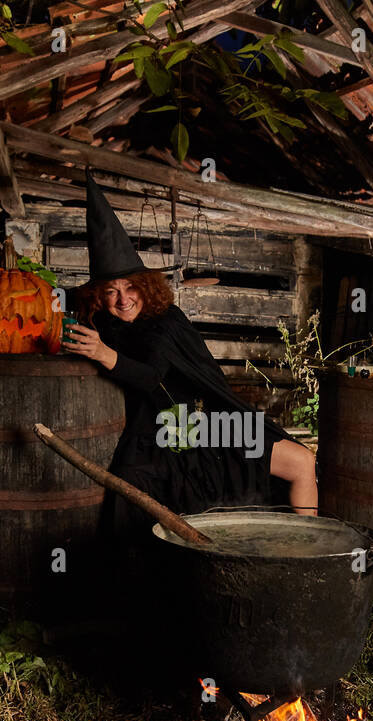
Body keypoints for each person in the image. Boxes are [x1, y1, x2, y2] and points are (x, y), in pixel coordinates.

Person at [62, 170, 317, 542]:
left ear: (146, 285)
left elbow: (151, 374)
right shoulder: (104, 322)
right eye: (111, 291)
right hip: (168, 430)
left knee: (302, 462)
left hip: (210, 419)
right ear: (98, 296)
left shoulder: (166, 321)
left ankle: (308, 547)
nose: (123, 299)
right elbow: (47, 299)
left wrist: (103, 354)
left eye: (131, 287)